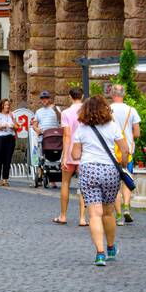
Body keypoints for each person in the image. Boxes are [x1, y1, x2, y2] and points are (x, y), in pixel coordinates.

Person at [70, 95, 124, 268]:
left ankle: (99, 254)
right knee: (108, 213)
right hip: (109, 171)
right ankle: (110, 248)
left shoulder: (81, 128)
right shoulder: (112, 126)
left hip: (89, 170)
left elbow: (75, 155)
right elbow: (125, 149)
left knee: (94, 214)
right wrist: (122, 163)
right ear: (105, 109)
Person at [53, 87, 87, 228]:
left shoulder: (66, 113)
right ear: (82, 96)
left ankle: (63, 215)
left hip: (71, 152)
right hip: (84, 153)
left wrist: (65, 156)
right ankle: (82, 218)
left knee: (65, 183)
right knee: (84, 185)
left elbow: (66, 135)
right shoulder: (87, 111)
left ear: (70, 96)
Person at [109, 85, 140, 226]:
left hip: (112, 151)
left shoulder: (108, 110)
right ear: (124, 94)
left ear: (112, 94)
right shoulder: (131, 110)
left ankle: (119, 215)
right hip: (127, 150)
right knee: (127, 179)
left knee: (114, 185)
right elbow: (137, 133)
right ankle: (127, 206)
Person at [0, 99, 18, 187]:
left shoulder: (12, 114)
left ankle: (5, 179)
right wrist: (1, 126)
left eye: (8, 105)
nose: (7, 106)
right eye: (5, 105)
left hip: (9, 138)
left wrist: (13, 126)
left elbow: (17, 127)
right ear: (2, 105)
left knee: (7, 159)